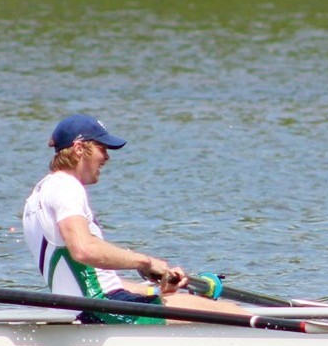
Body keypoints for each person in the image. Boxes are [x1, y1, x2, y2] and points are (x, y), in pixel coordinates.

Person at [20, 114, 247, 324]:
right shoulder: (67, 187)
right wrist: (146, 262)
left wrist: (153, 291)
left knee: (208, 307)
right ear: (79, 148)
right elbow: (83, 249)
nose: (107, 157)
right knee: (234, 314)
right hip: (104, 311)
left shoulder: (38, 194)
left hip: (79, 310)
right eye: (102, 148)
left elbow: (87, 279)